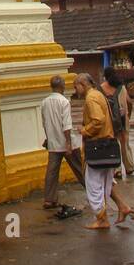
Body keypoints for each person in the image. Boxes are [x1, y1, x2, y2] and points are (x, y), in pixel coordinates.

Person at [73, 72, 131, 229]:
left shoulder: (91, 98)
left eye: (76, 86)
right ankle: (109, 213)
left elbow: (98, 120)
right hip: (107, 144)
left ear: (83, 85)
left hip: (97, 145)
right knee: (105, 183)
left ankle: (102, 219)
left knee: (93, 184)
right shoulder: (99, 94)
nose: (75, 90)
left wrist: (84, 130)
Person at [41, 75, 84, 208]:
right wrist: (69, 143)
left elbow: (44, 123)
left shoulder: (44, 102)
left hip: (53, 142)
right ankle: (95, 191)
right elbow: (66, 125)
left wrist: (49, 138)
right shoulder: (64, 102)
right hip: (67, 142)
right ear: (62, 86)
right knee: (80, 169)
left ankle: (49, 199)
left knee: (52, 172)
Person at [102, 66, 134, 177]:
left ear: (105, 76)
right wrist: (128, 115)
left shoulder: (102, 88)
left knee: (114, 144)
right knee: (125, 143)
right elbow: (130, 102)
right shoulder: (121, 87)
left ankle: (116, 169)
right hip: (123, 120)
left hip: (110, 121)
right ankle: (129, 167)